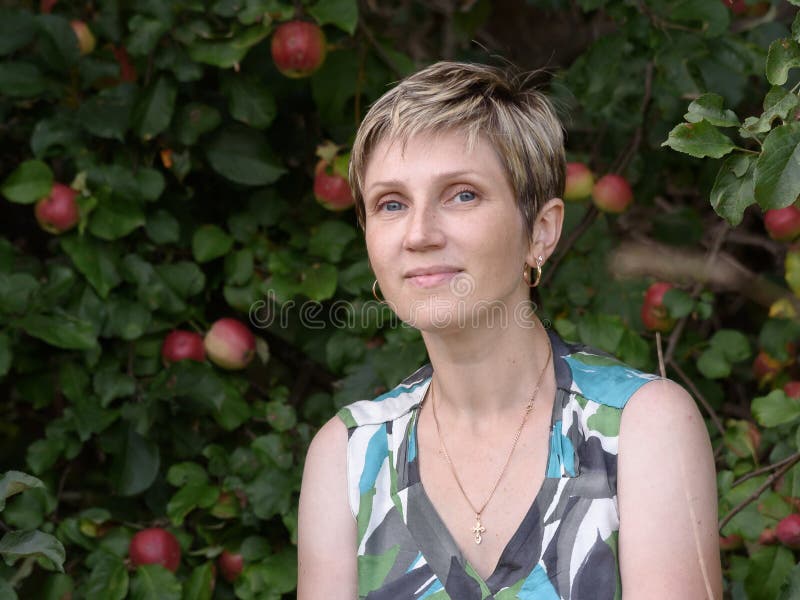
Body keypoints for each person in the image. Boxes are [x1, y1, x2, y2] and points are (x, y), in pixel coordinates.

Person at [297, 61, 722, 599]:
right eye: (392, 203)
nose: (419, 233)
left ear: (540, 232)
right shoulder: (350, 455)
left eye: (462, 194)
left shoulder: (641, 429)